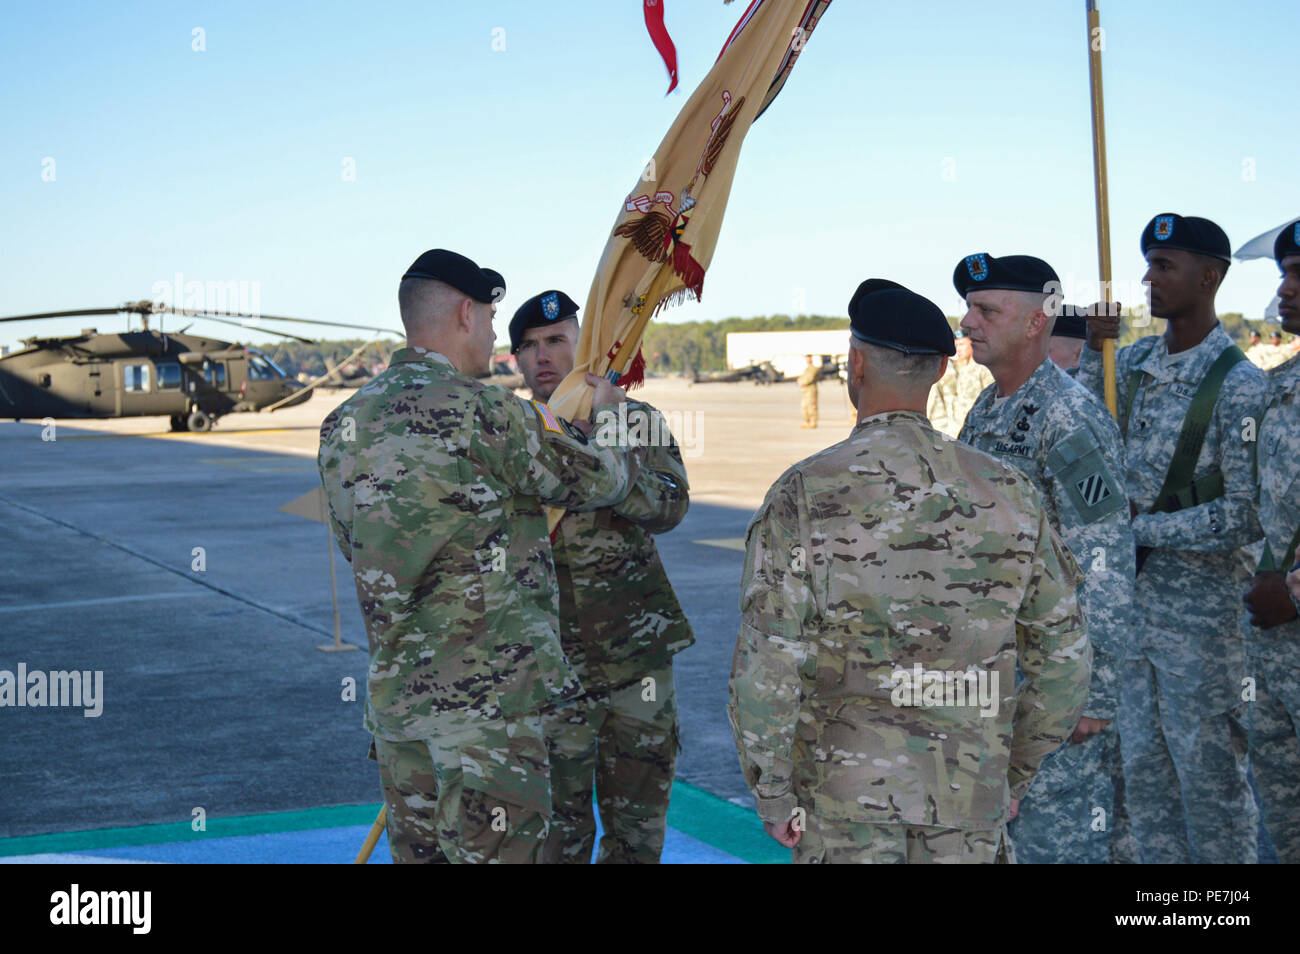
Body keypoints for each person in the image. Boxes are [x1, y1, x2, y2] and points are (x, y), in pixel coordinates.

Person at [728, 278, 1091, 864]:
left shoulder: (807, 492)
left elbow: (768, 659)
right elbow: (1064, 659)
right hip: (969, 798)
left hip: (843, 802)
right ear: (941, 372)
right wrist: (1010, 774)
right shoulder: (1009, 491)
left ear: (856, 364)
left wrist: (772, 792)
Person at [317, 250, 643, 864]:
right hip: (488, 721)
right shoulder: (487, 411)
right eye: (493, 320)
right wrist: (611, 420)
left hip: (400, 719)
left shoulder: (341, 425)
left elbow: (356, 546)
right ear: (466, 313)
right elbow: (603, 482)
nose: (496, 336)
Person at [1081, 213, 1266, 864]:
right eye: (1148, 263)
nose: (1148, 277)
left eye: (1166, 265)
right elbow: (1080, 434)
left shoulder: (1241, 386)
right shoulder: (1125, 366)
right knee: (1146, 796)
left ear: (1209, 277)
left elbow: (1248, 514)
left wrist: (1144, 529)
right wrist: (1087, 350)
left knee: (1213, 799)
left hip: (1201, 634)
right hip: (1131, 626)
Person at [954, 253, 1134, 865]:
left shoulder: (1069, 418)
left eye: (986, 310)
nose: (967, 323)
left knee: (1056, 849)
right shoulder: (987, 410)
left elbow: (1106, 561)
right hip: (997, 684)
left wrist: (1095, 695)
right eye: (969, 308)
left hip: (1055, 690)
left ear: (1036, 323)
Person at [509, 289, 694, 864]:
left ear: (582, 345)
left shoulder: (632, 419)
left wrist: (607, 435)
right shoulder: (506, 428)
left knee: (638, 824)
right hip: (548, 666)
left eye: (557, 341)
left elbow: (669, 507)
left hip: (636, 654)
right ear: (514, 359)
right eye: (529, 346)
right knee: (556, 832)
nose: (543, 356)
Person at [1241, 219, 1300, 863]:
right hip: (1276, 648)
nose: (1286, 288)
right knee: (1281, 824)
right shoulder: (1280, 386)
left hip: (1290, 608)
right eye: (1285, 272)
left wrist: (1294, 590)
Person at [925, 329, 994, 437]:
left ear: (972, 344)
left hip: (976, 433)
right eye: (956, 345)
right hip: (949, 434)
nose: (958, 349)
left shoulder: (983, 370)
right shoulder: (948, 371)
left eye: (962, 344)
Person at [797, 354, 819, 428]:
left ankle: (813, 422)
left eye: (809, 358)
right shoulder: (806, 369)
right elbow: (801, 378)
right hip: (805, 390)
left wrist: (802, 383)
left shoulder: (813, 368)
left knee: (812, 406)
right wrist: (799, 382)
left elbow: (809, 378)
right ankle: (807, 421)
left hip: (811, 390)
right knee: (804, 406)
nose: (807, 359)